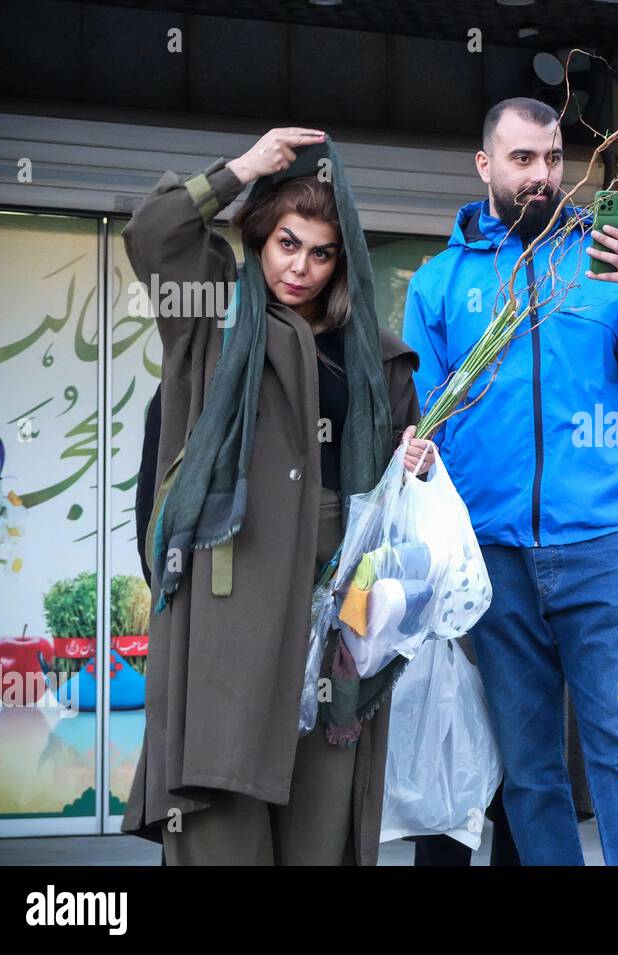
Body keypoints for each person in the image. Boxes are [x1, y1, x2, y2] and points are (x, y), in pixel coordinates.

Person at [121, 127, 436, 865]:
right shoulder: (213, 316)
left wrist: (414, 463)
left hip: (341, 615)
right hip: (232, 610)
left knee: (321, 825)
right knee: (222, 811)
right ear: (261, 236)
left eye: (322, 252)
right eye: (287, 243)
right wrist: (243, 168)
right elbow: (153, 232)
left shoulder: (378, 357)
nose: (301, 266)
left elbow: (397, 493)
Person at [402, 97, 618, 865]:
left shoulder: (607, 258)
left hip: (598, 548)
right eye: (522, 158)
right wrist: (416, 455)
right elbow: (422, 415)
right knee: (530, 772)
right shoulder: (437, 284)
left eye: (552, 158)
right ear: (486, 166)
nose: (541, 174)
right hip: (493, 555)